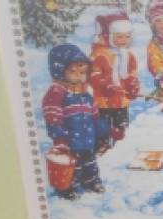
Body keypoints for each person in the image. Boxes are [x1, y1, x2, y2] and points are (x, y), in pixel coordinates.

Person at [42, 44, 110, 198]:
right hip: (69, 141)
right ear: (60, 71)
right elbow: (53, 117)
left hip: (87, 140)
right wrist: (59, 138)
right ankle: (67, 188)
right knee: (73, 166)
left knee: (90, 163)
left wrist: (105, 131)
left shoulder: (85, 94)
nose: (79, 76)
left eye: (83, 72)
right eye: (73, 72)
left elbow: (94, 117)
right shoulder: (57, 93)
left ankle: (91, 181)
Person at [90, 13, 140, 150]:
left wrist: (132, 86)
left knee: (121, 129)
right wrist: (106, 85)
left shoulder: (128, 55)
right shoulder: (99, 54)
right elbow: (93, 75)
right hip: (103, 102)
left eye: (127, 36)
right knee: (103, 129)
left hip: (121, 101)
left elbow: (132, 73)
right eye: (119, 36)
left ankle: (120, 149)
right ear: (110, 36)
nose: (124, 40)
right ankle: (102, 148)